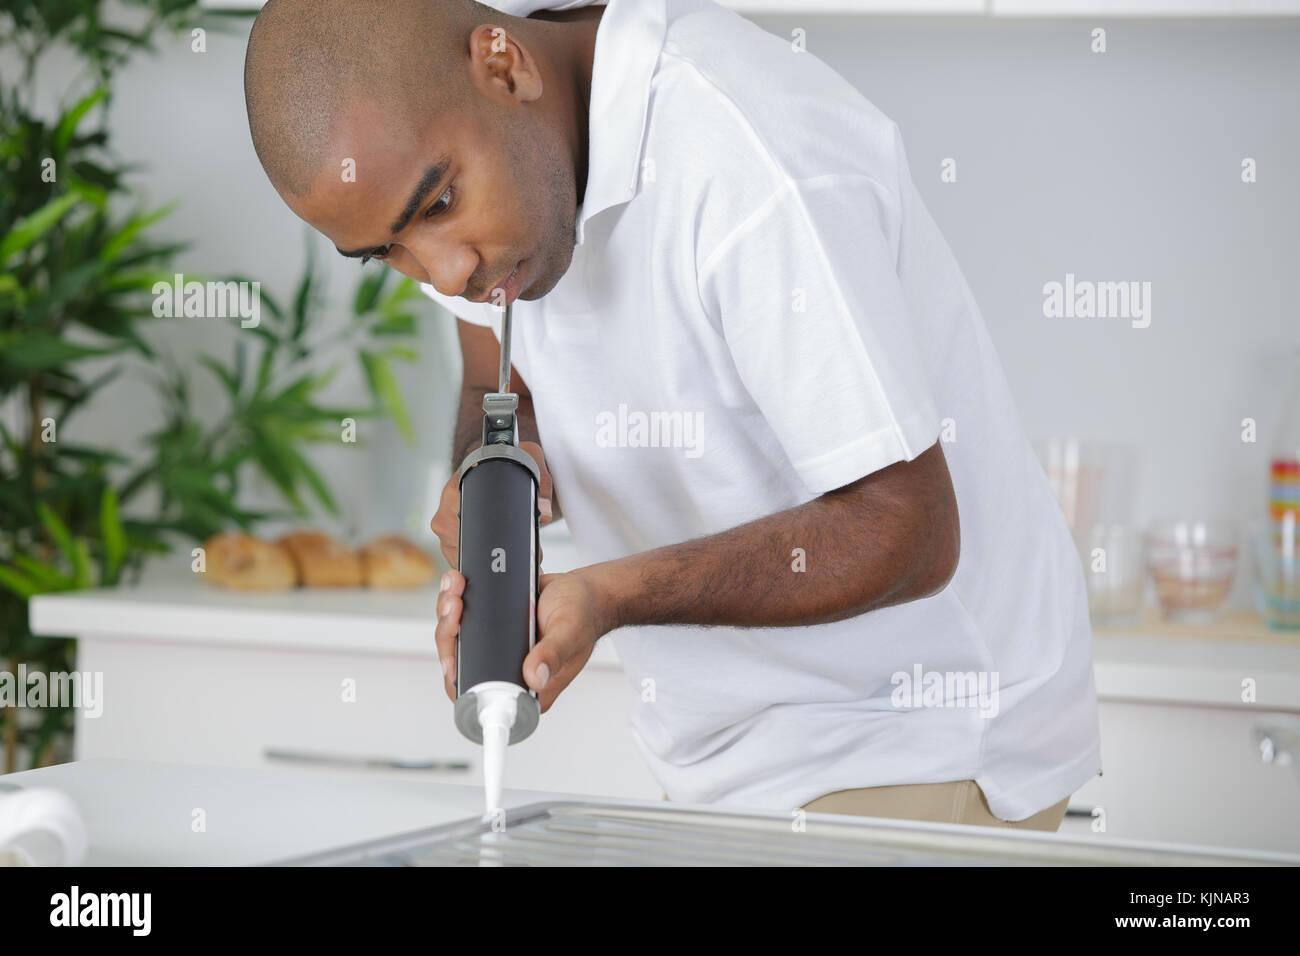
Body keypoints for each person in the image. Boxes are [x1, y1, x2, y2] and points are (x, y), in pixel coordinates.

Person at [243, 0, 1101, 830]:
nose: (443, 271)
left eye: (435, 209)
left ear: (502, 68)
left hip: (919, 736)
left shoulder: (749, 159)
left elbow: (908, 528)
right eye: (385, 252)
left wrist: (611, 594)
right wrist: (492, 475)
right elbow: (497, 379)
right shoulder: (476, 184)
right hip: (720, 757)